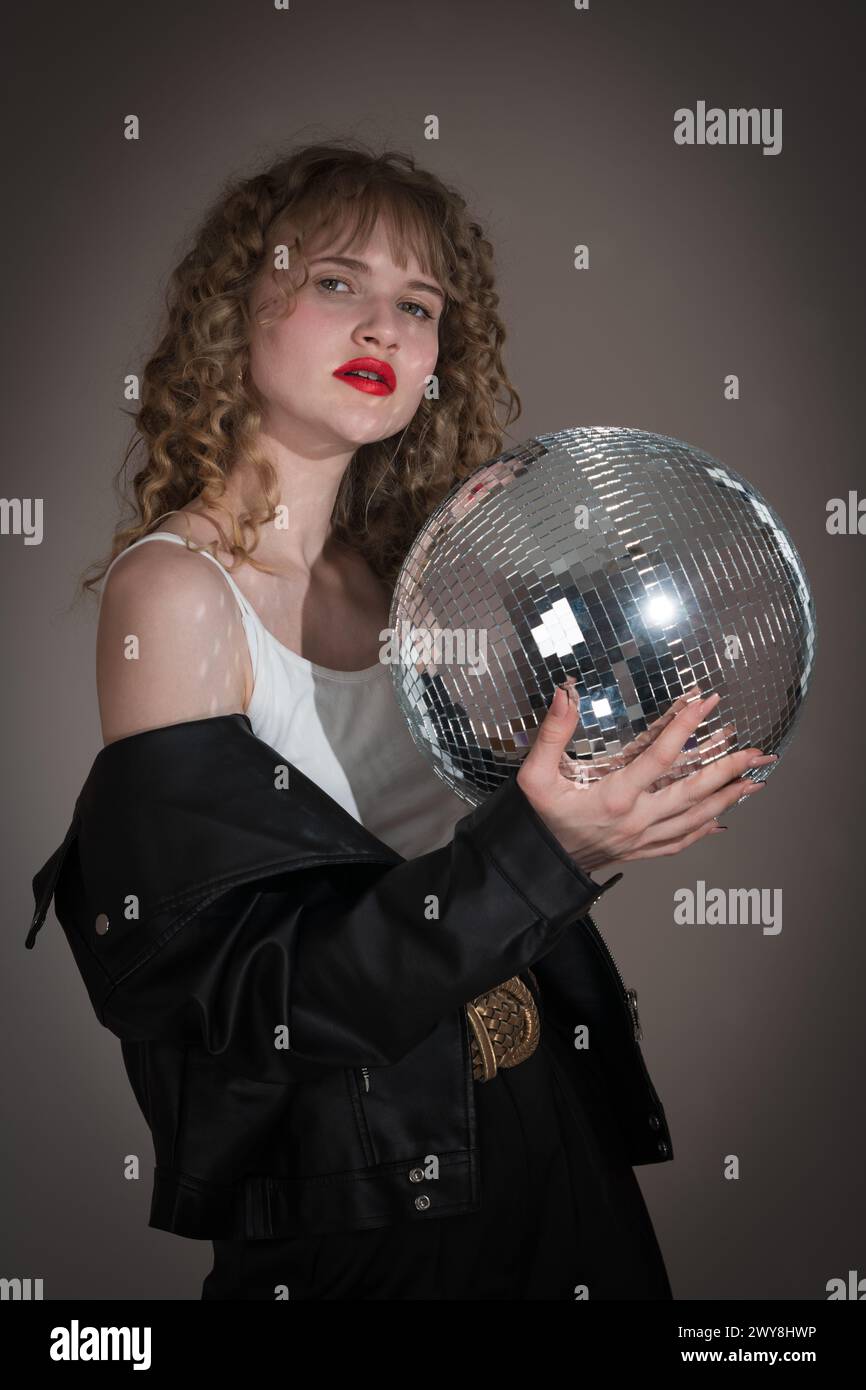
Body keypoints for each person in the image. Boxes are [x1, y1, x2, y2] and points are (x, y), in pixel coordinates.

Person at [31, 139, 776, 1301]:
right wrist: (548, 853)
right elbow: (251, 998)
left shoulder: (409, 586)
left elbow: (492, 869)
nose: (383, 327)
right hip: (373, 1192)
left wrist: (613, 804)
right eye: (337, 282)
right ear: (239, 306)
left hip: (546, 1134)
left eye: (416, 304)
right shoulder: (176, 593)